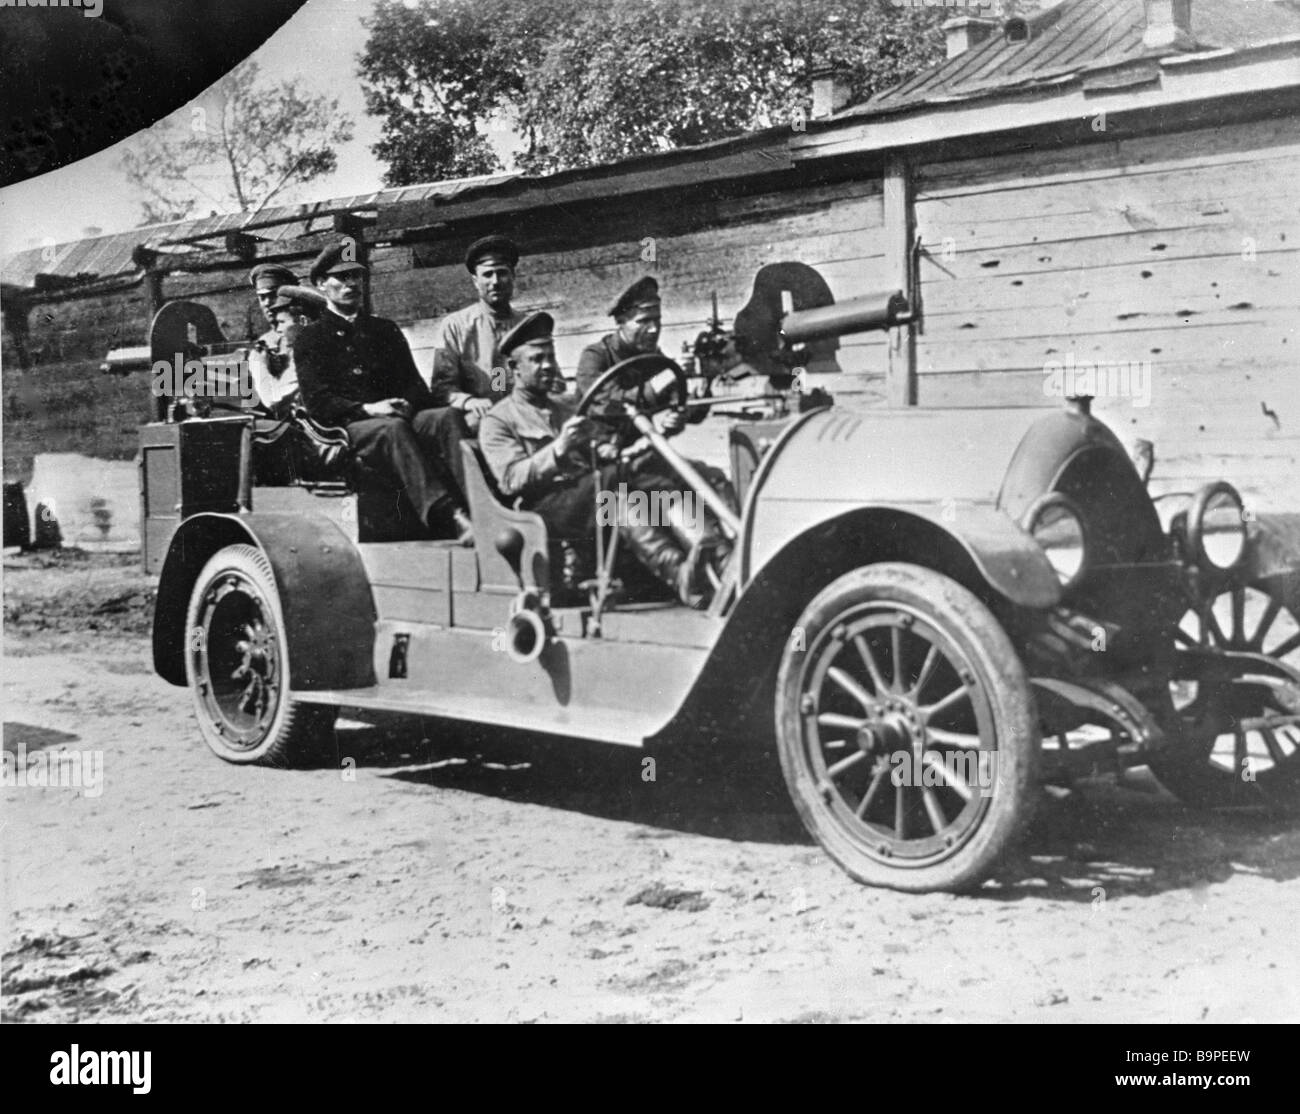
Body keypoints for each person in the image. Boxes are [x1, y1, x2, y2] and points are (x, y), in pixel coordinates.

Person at [479, 311, 716, 608]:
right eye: (538, 359)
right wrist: (558, 449)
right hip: (546, 508)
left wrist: (654, 436)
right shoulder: (498, 420)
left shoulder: (567, 407)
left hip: (592, 497)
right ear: (513, 368)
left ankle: (709, 560)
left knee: (646, 487)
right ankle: (690, 568)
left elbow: (606, 453)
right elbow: (511, 480)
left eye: (550, 357)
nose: (548, 366)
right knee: (619, 489)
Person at [293, 240, 472, 543]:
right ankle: (450, 516)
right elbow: (318, 401)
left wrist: (406, 403)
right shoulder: (312, 337)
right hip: (351, 425)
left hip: (396, 415)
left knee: (445, 417)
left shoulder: (384, 330)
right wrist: (370, 409)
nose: (351, 284)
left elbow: (416, 384)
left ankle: (482, 502)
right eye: (342, 277)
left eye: (356, 276)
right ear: (322, 284)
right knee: (392, 429)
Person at [429, 234, 525, 432]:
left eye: (502, 273)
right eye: (488, 274)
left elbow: (552, 379)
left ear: (513, 276)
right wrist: (468, 401)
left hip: (524, 413)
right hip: (479, 418)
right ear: (475, 281)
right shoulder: (455, 326)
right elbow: (443, 387)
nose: (496, 281)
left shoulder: (527, 326)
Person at [247, 284, 325, 417]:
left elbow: (273, 400)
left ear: (303, 321)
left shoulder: (309, 353)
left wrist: (259, 364)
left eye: (282, 323)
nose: (278, 330)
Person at [249, 262, 299, 332]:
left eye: (273, 295)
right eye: (262, 297)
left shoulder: (308, 333)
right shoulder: (267, 340)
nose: (267, 303)